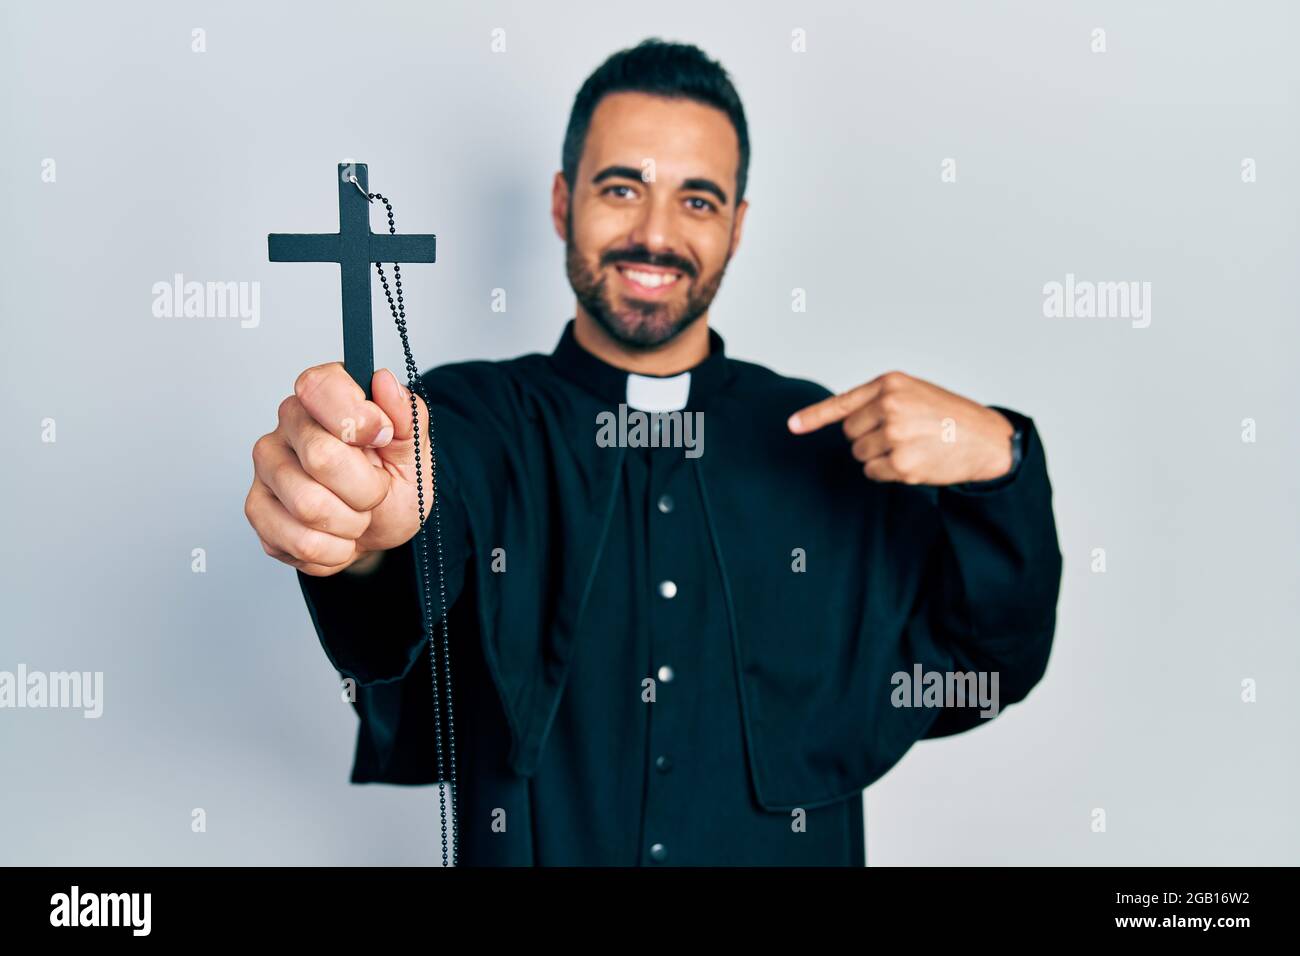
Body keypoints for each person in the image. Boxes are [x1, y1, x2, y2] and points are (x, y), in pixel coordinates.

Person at [244, 39, 1063, 866]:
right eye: (621, 188)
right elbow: (410, 550)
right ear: (563, 203)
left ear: (738, 228)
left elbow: (992, 667)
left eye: (698, 201)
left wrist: (1002, 463)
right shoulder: (467, 419)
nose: (654, 235)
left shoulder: (828, 442)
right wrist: (364, 543)